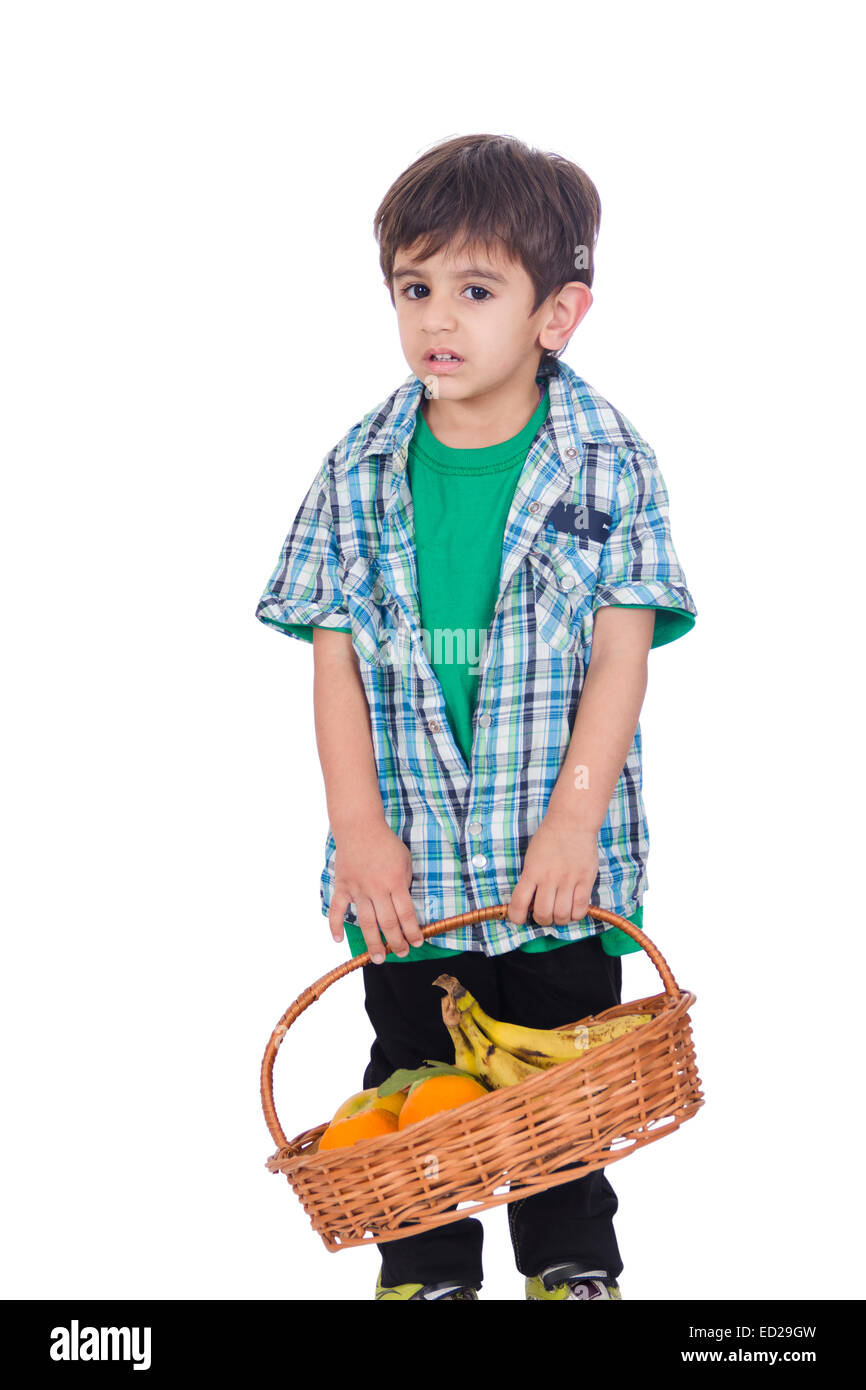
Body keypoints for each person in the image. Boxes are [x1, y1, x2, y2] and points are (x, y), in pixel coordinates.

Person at [254, 133, 698, 1300]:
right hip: (413, 865)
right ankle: (428, 1268)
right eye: (414, 286)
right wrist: (358, 829)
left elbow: (621, 655)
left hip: (556, 863)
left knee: (557, 1083)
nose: (434, 318)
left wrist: (574, 824)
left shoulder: (607, 463)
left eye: (474, 288)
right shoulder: (356, 470)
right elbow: (333, 663)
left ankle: (569, 1262)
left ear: (558, 314)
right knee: (410, 1072)